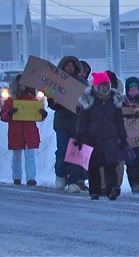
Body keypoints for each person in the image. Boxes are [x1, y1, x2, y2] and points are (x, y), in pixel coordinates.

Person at [76, 72, 129, 201]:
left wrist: (123, 137)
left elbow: (119, 121)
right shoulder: (89, 100)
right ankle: (95, 191)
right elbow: (82, 120)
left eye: (107, 85)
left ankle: (112, 189)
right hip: (92, 138)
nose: (105, 88)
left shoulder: (114, 101)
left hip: (110, 138)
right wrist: (80, 136)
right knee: (94, 166)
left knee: (111, 165)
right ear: (96, 86)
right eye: (102, 86)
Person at [0, 74, 47, 186]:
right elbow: (3, 116)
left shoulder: (32, 100)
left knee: (29, 155)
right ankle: (16, 177)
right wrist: (10, 113)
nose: (23, 86)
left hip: (29, 132)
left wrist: (43, 114)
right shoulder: (11, 101)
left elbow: (39, 116)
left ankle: (31, 178)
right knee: (17, 156)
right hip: (16, 132)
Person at [50, 56, 87, 193]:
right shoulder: (57, 82)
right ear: (63, 67)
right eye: (67, 65)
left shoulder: (82, 83)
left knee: (76, 153)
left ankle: (73, 181)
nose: (70, 68)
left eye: (72, 65)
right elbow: (52, 103)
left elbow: (87, 102)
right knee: (62, 150)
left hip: (77, 124)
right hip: (62, 122)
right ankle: (60, 175)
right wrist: (56, 100)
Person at [121, 76, 139, 194]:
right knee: (130, 161)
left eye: (135, 86)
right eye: (131, 86)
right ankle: (133, 182)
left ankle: (137, 182)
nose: (133, 88)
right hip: (128, 136)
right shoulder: (122, 102)